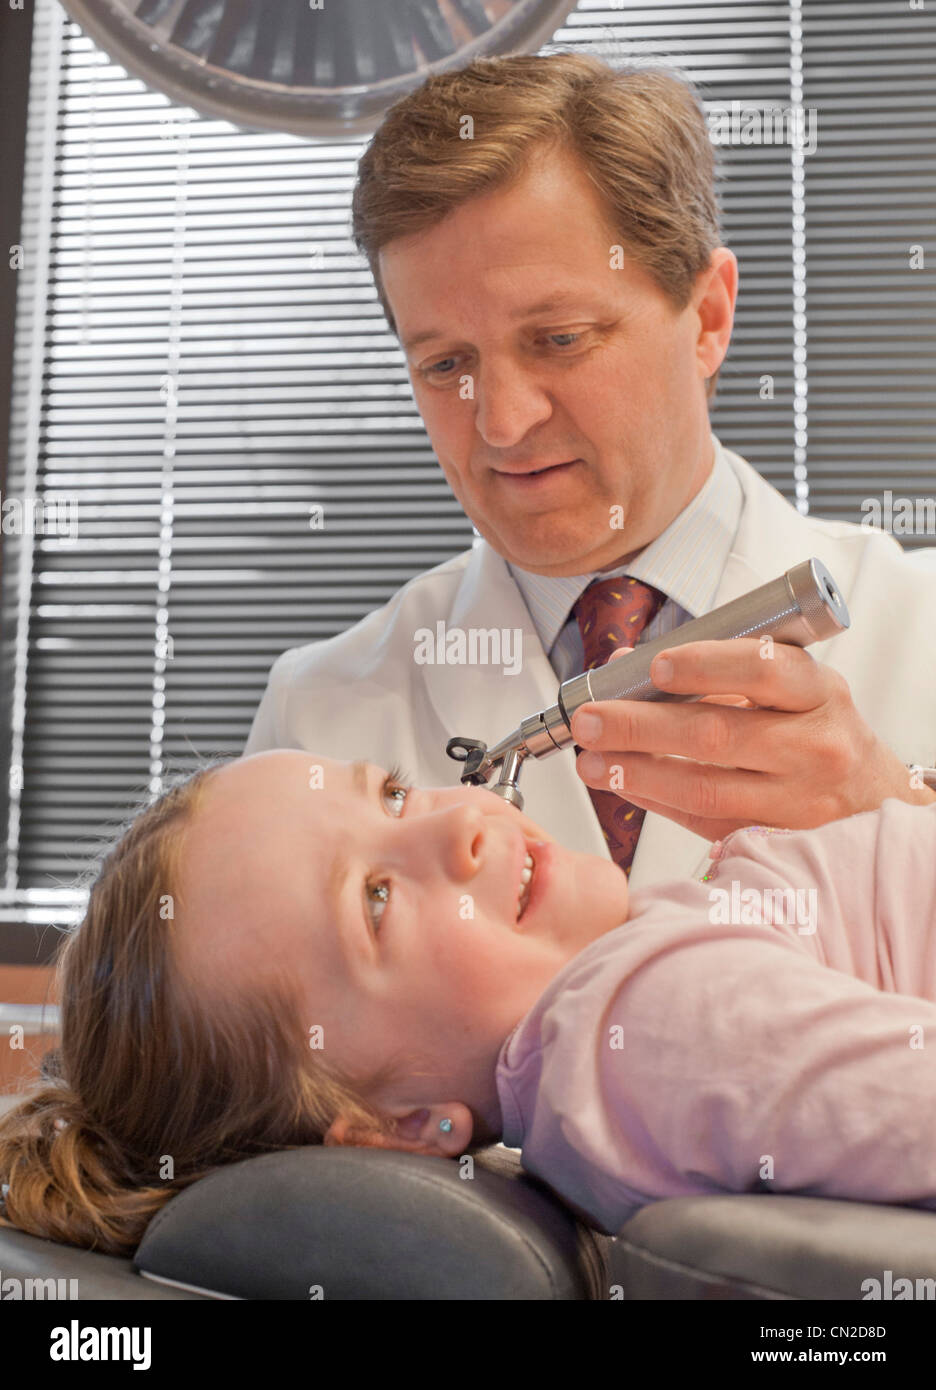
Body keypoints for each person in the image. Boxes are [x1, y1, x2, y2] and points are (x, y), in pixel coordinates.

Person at [244, 52, 936, 892]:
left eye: (560, 338)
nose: (502, 420)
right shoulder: (317, 715)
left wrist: (893, 825)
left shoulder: (921, 627)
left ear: (708, 318)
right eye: (444, 363)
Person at [2, 748, 936, 1254]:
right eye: (374, 898)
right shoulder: (635, 1026)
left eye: (397, 796)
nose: (462, 824)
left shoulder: (629, 985)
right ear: (397, 1128)